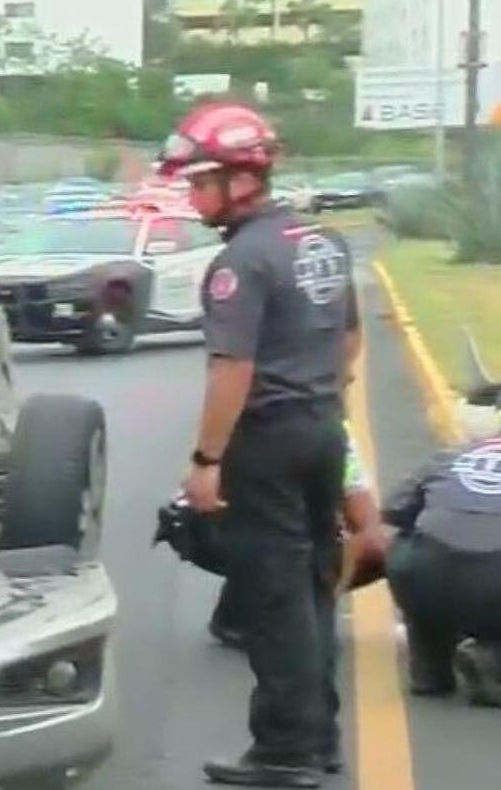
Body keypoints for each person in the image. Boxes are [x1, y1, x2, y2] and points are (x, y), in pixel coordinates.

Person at [159, 101, 361, 789]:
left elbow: (232, 369)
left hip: (268, 441)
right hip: (323, 430)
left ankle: (285, 749)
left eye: (200, 182)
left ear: (241, 179)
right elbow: (349, 337)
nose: (193, 197)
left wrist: (207, 461)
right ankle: (320, 738)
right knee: (314, 587)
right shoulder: (323, 241)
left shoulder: (240, 261)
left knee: (275, 599)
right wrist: (321, 396)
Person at [381, 361, 501, 707]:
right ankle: (498, 663)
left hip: (419, 577)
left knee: (414, 544)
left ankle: (430, 658)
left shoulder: (453, 454)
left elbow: (394, 509)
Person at [207, 433, 390, 649]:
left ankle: (308, 609)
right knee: (278, 536)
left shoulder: (335, 436)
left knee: (385, 548)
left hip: (294, 535)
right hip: (227, 526)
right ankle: (241, 607)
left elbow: (371, 531)